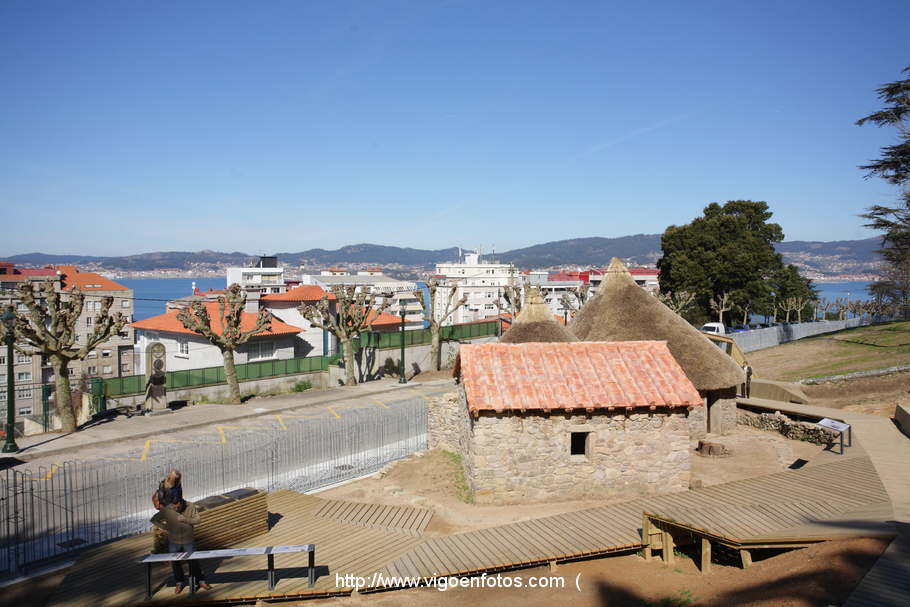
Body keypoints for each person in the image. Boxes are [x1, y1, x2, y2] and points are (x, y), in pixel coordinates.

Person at [150, 499, 211, 593]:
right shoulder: (167, 509)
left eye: (177, 507)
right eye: (173, 507)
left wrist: (186, 519)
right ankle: (179, 582)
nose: (175, 508)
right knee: (175, 563)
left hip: (188, 540)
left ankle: (200, 581)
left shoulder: (190, 506)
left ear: (181, 502)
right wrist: (166, 527)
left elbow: (198, 520)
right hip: (174, 541)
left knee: (194, 561)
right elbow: (154, 519)